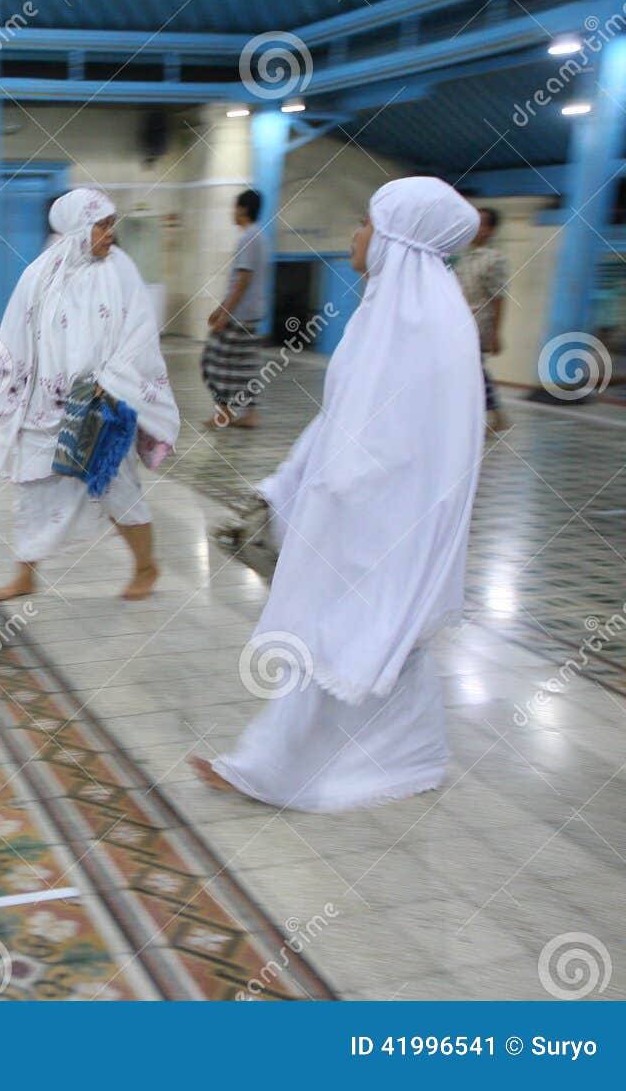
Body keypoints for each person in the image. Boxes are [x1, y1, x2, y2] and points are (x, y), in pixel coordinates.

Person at [191, 177, 484, 812]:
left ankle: (266, 768)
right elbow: (339, 419)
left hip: (377, 511)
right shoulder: (402, 312)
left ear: (397, 241)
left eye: (367, 223)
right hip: (369, 506)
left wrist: (330, 498)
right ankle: (416, 753)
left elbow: (387, 438)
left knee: (339, 632)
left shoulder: (418, 326)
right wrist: (291, 481)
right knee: (383, 634)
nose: (356, 235)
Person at [0, 188, 180, 603]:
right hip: (46, 409)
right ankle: (25, 576)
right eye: (102, 225)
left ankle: (146, 568)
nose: (111, 234)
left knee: (116, 486)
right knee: (32, 485)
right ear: (78, 228)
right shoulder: (39, 276)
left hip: (102, 404)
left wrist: (112, 380)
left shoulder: (121, 271)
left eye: (112, 224)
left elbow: (139, 335)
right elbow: (13, 344)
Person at [200, 188, 269, 429]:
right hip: (249, 315)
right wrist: (220, 309)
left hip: (239, 317)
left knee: (212, 360)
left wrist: (224, 315)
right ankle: (248, 413)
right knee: (244, 365)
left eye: (234, 207)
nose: (232, 212)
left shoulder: (247, 238)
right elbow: (240, 282)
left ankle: (226, 411)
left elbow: (243, 281)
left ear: (242, 209)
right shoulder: (258, 236)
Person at [453, 206, 512, 434]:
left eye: (481, 224)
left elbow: (499, 297)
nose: (475, 229)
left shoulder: (494, 259)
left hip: (479, 323)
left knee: (473, 368)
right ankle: (491, 415)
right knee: (470, 369)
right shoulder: (464, 258)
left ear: (491, 230)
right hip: (460, 322)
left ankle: (497, 415)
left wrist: (496, 333)